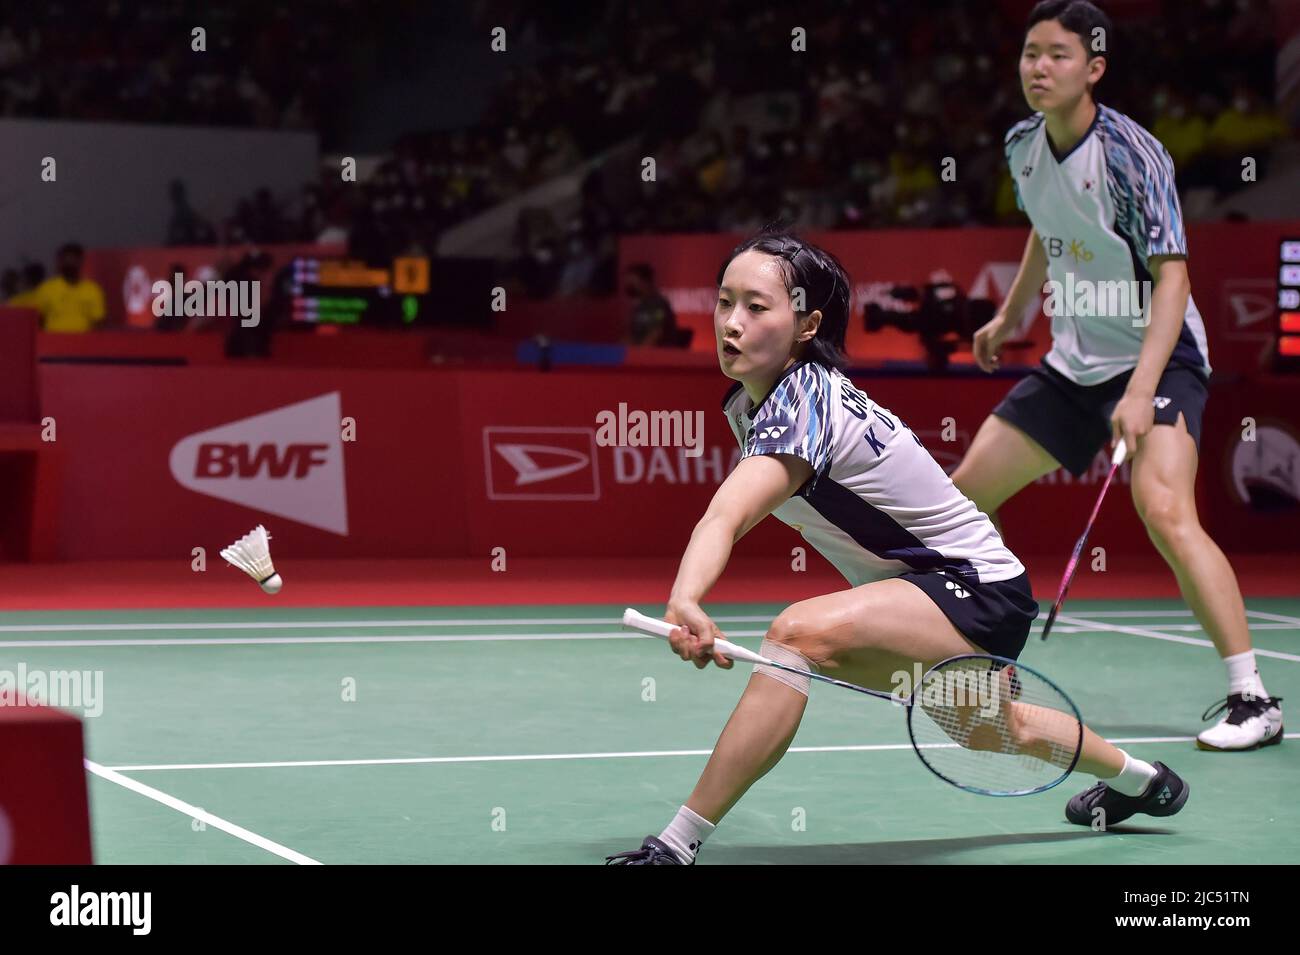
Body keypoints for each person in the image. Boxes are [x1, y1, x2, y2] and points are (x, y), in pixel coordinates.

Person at [605, 229, 1189, 865]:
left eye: (756, 306)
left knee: (797, 636)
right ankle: (1147, 783)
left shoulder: (803, 401)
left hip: (974, 587)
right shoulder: (755, 403)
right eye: (724, 302)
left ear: (807, 325)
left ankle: (677, 844)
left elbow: (727, 512)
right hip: (946, 594)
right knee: (997, 730)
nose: (731, 323)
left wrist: (686, 597)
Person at [949, 0, 1281, 751]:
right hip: (1074, 363)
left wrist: (1139, 391)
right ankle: (995, 655)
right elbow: (1049, 226)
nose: (1038, 67)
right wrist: (1010, 316)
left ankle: (1252, 697)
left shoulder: (1134, 154)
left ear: (1093, 69)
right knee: (966, 495)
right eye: (1031, 53)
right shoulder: (1021, 144)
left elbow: (1172, 276)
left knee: (1163, 506)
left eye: (1057, 55)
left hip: (1158, 356)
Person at [29, 243, 105, 333]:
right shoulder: (46, 289)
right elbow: (37, 318)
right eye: (67, 260)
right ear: (60, 262)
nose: (70, 263)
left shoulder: (93, 290)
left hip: (83, 342)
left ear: (80, 261)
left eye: (73, 260)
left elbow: (98, 321)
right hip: (53, 341)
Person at [625, 263, 682, 347]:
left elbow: (656, 333)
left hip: (657, 355)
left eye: (633, 282)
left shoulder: (658, 304)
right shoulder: (639, 306)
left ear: (645, 282)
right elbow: (630, 336)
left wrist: (638, 355)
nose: (629, 286)